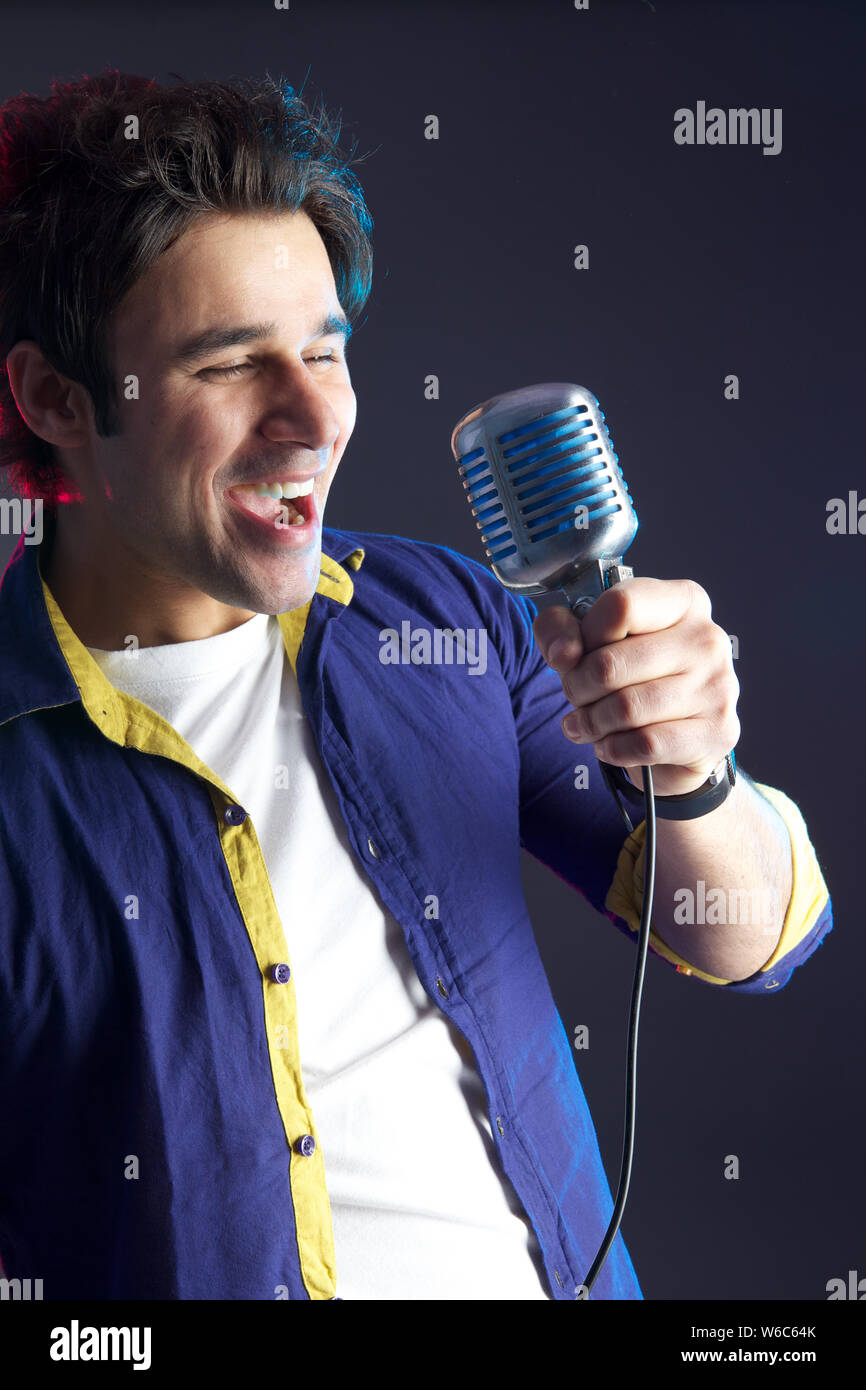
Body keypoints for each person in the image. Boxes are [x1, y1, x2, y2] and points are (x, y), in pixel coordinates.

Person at [0, 70, 832, 1301]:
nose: (312, 417)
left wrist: (697, 776)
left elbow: (741, 942)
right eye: (230, 365)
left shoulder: (444, 617)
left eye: (324, 351)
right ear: (56, 399)